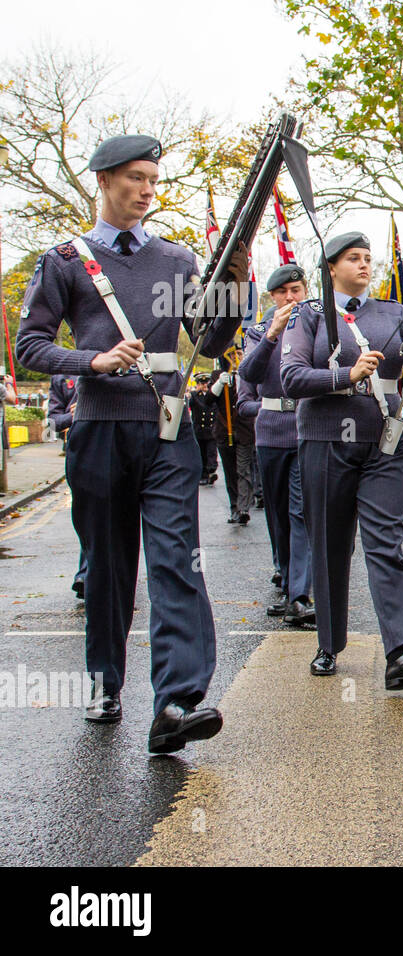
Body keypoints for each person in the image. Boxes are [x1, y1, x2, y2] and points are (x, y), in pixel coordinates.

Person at [15, 133, 247, 753]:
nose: (147, 190)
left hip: (167, 428)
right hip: (98, 428)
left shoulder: (176, 259)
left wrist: (236, 276)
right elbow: (30, 348)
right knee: (110, 568)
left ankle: (176, 701)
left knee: (177, 561)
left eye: (153, 179)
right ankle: (104, 685)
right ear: (104, 181)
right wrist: (90, 360)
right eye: (135, 178)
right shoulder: (66, 259)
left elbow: (214, 333)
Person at [280, 231, 403, 687]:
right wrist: (345, 375)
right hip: (325, 438)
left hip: (387, 442)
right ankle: (328, 643)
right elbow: (291, 377)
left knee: (385, 543)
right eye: (353, 258)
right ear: (331, 267)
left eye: (368, 258)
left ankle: (401, 652)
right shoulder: (309, 314)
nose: (364, 265)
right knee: (332, 546)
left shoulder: (395, 313)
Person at [236, 263, 315, 627]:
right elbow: (248, 378)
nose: (290, 297)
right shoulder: (256, 332)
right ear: (273, 296)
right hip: (270, 433)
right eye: (283, 292)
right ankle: (286, 579)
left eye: (296, 290)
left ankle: (300, 595)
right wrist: (271, 336)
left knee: (301, 512)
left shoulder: (317, 325)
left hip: (308, 429)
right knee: (278, 514)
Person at [46, 374, 89, 598]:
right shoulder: (61, 378)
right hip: (80, 450)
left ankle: (91, 572)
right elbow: (52, 422)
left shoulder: (120, 364)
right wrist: (70, 416)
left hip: (118, 445)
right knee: (87, 514)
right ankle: (87, 572)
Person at [212, 351, 255, 524]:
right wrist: (218, 385)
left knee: (243, 471)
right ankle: (235, 507)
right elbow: (208, 401)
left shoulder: (248, 374)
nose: (236, 358)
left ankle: (244, 508)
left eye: (239, 355)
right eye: (233, 355)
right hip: (224, 433)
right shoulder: (217, 376)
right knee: (230, 473)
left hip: (244, 432)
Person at [189, 373, 220, 484]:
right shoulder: (194, 396)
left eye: (206, 383)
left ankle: (211, 471)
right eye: (202, 383)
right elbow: (189, 404)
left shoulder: (214, 395)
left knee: (211, 452)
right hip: (199, 430)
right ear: (198, 384)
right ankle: (203, 474)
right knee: (201, 453)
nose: (204, 385)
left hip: (211, 429)